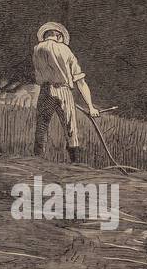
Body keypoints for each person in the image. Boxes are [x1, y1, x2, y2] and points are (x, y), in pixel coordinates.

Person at [31, 22, 99, 163]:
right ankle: (74, 163)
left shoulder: (37, 49)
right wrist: (91, 107)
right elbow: (80, 81)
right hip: (63, 91)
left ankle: (36, 162)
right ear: (58, 35)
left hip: (45, 91)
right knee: (70, 129)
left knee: (41, 127)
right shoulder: (65, 50)